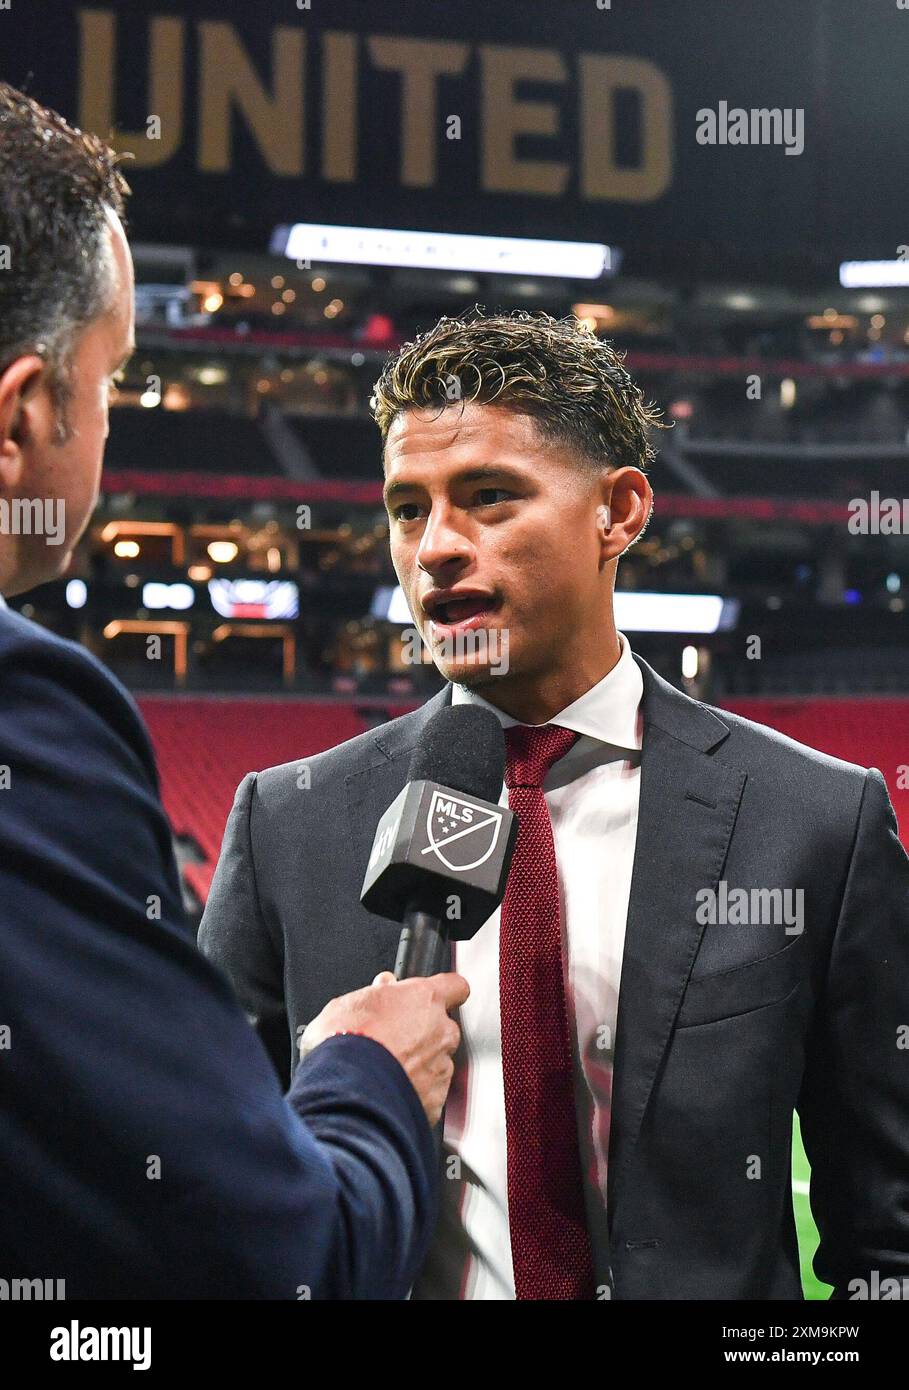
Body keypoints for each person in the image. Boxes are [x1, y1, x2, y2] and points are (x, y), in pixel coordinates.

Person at [201, 308, 909, 1300]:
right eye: (406, 508)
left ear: (618, 511)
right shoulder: (288, 825)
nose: (435, 548)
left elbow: (889, 1233)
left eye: (488, 497)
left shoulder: (816, 820)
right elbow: (203, 1202)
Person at [0, 81, 468, 1300]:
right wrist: (366, 1073)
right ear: (23, 415)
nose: (113, 423)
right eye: (112, 381)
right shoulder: (28, 709)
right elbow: (271, 1262)